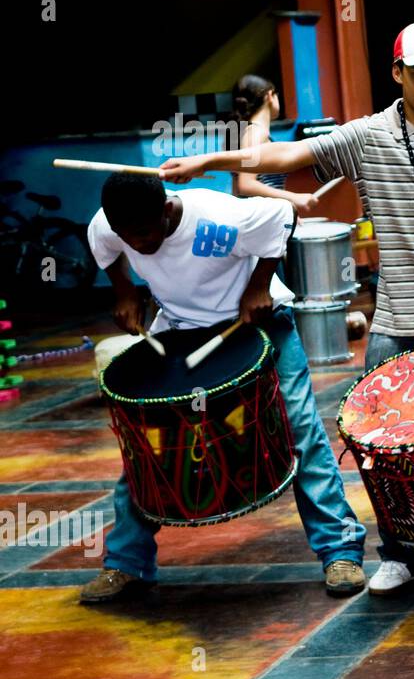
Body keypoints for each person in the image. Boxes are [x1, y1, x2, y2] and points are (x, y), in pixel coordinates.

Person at [159, 20, 414, 596]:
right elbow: (285, 154)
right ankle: (405, 553)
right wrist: (206, 165)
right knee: (384, 446)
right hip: (397, 324)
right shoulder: (368, 135)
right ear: (398, 73)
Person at [78, 174, 367, 602]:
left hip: (259, 325)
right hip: (180, 330)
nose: (136, 244)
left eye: (144, 233)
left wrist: (258, 285)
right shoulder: (111, 225)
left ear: (166, 212)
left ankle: (340, 552)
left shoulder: (218, 216)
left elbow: (281, 214)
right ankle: (127, 564)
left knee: (300, 430)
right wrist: (124, 292)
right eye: (126, 236)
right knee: (146, 445)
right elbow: (105, 245)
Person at [229, 75, 320, 216]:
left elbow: (238, 192)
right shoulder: (255, 134)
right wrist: (294, 198)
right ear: (269, 96)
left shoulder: (251, 133)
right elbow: (245, 184)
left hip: (261, 219)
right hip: (259, 220)